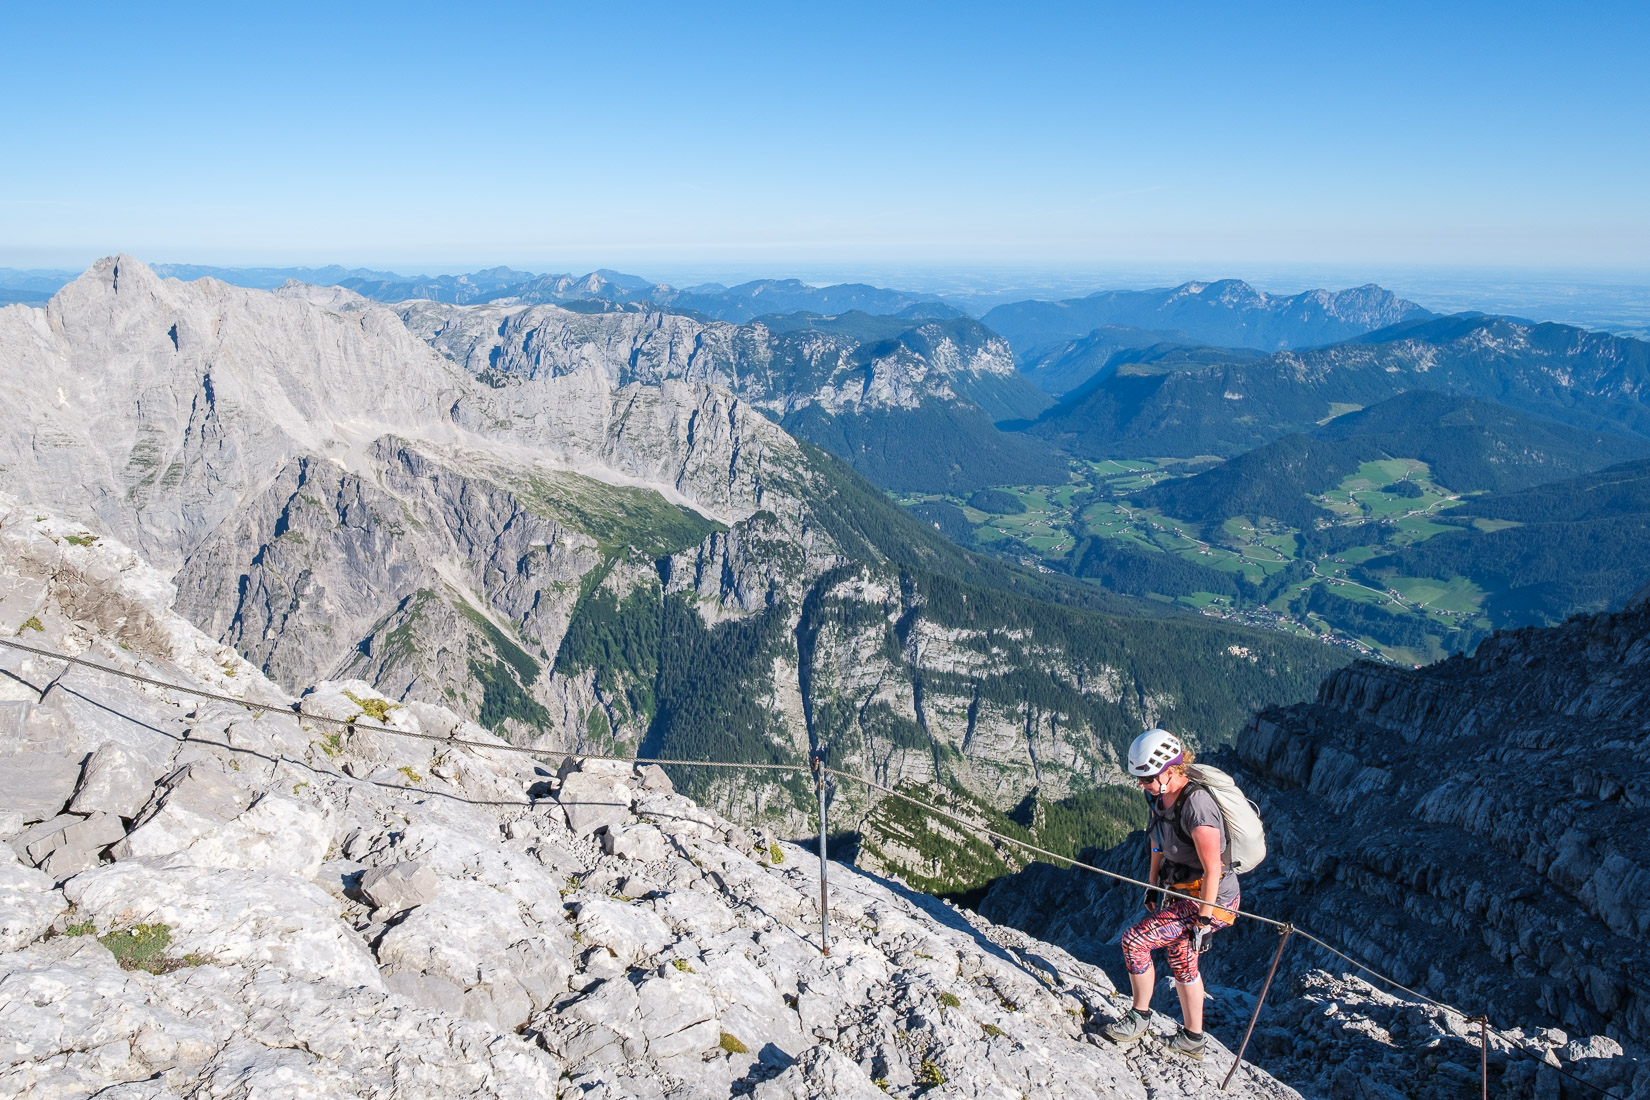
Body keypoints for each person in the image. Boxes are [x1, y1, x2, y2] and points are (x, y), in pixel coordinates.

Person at [1102, 728, 1239, 1060]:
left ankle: (1139, 1017)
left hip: (1212, 900)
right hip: (1182, 893)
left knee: (1135, 941)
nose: (1141, 784)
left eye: (1146, 778)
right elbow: (1157, 842)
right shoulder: (1159, 796)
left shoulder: (1198, 807)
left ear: (1169, 770)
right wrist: (1153, 884)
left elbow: (1212, 871)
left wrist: (1204, 922)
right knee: (1181, 959)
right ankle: (1193, 1038)